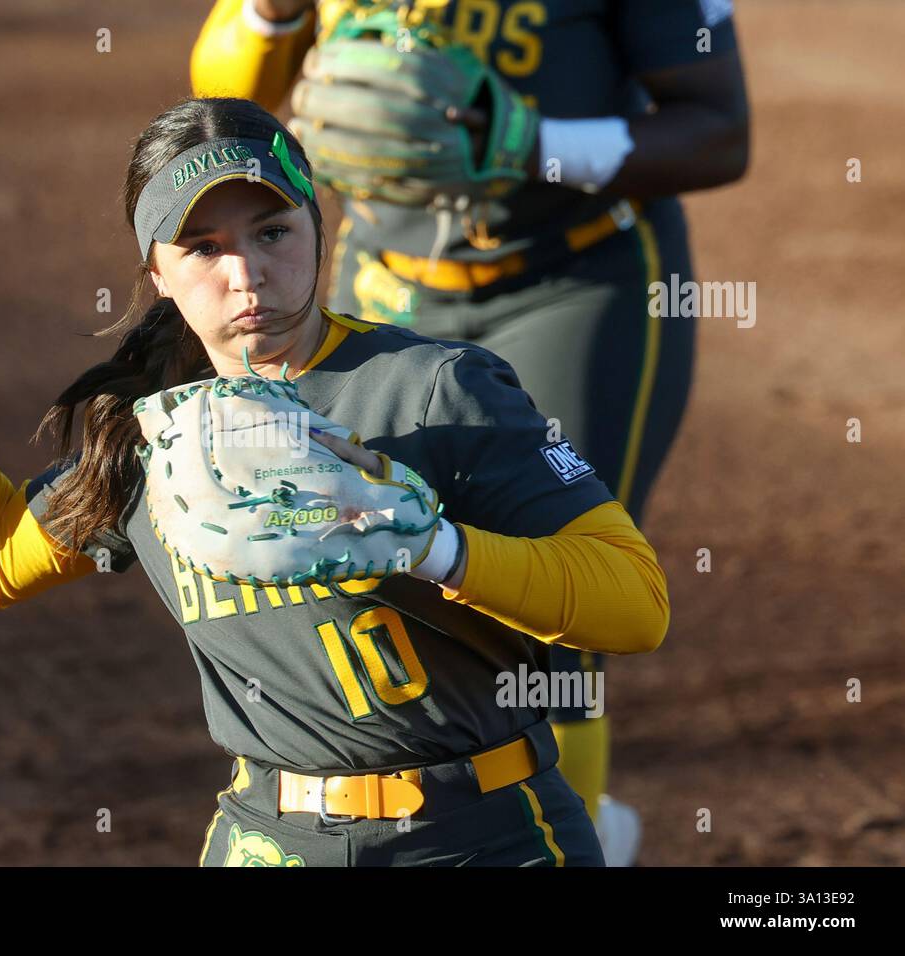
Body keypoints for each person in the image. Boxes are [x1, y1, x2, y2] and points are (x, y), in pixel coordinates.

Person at [0, 97, 670, 867]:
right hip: (271, 841)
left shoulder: (433, 390)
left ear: (318, 226)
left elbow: (635, 604)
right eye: (203, 248)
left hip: (485, 832)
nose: (246, 274)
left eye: (273, 231)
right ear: (156, 273)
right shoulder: (148, 431)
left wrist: (439, 548)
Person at [191, 0, 750, 864]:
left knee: (551, 594)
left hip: (574, 283)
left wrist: (530, 144)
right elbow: (228, 111)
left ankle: (576, 837)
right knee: (362, 552)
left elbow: (718, 131)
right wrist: (270, 16)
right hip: (388, 279)